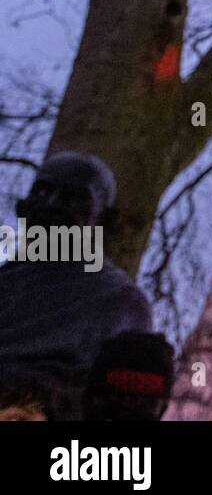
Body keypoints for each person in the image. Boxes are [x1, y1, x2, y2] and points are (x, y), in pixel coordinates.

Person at [0, 151, 153, 420]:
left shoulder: (119, 299)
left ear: (104, 220)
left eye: (72, 198)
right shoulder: (7, 281)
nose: (51, 205)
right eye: (42, 192)